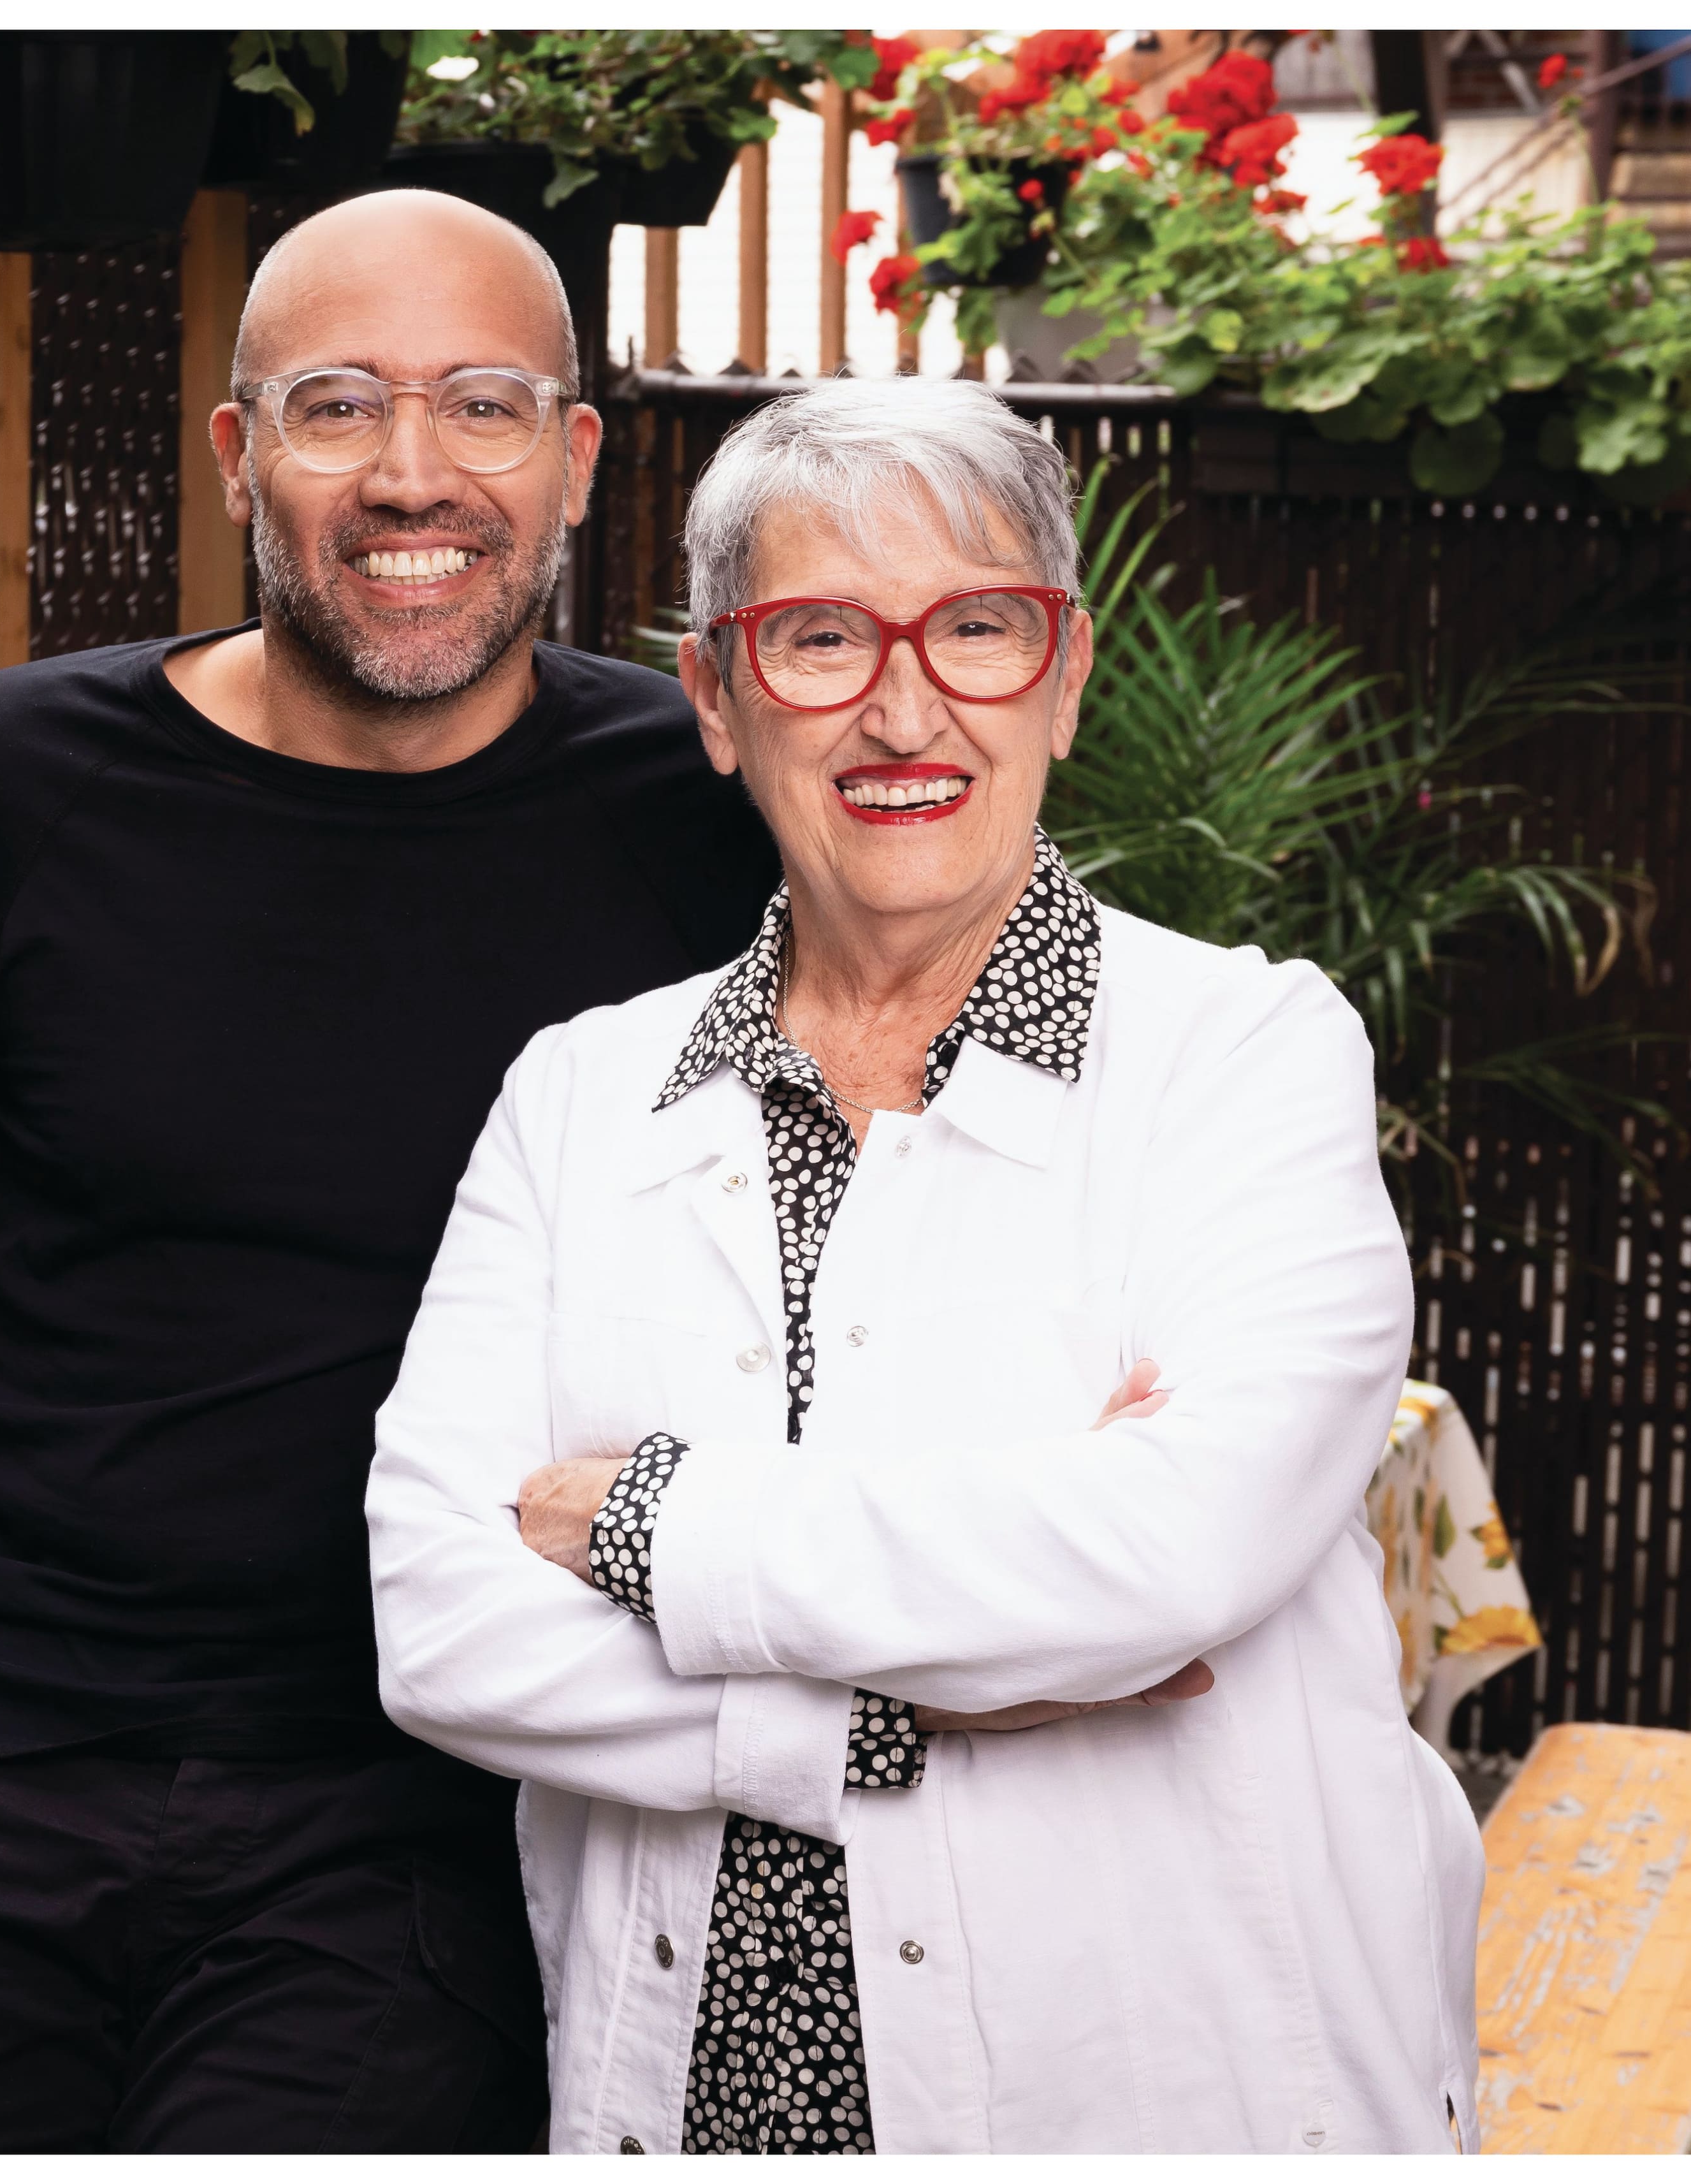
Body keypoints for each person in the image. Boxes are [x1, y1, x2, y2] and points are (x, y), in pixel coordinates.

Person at [0, 189, 783, 2151]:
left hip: (423, 1788)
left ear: (582, 459)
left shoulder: (706, 823)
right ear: (239, 451)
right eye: (339, 405)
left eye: (489, 407)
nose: (413, 474)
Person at [366, 375, 1485, 2154]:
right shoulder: (582, 1091)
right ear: (719, 701)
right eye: (818, 637)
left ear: (1065, 672)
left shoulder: (1249, 1053)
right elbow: (438, 1625)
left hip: (1165, 2092)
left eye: (976, 626)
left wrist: (647, 1523)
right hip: (697, 2098)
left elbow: (1169, 1548)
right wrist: (898, 1705)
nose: (905, 705)